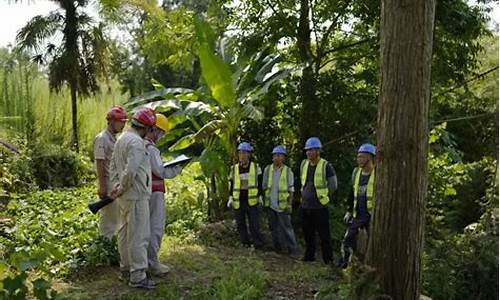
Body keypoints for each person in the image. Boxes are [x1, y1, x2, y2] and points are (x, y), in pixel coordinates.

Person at [110, 107, 156, 289]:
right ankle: (137, 275)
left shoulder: (122, 138)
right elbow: (131, 170)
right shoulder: (137, 143)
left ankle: (126, 268)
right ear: (145, 128)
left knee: (124, 233)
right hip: (135, 195)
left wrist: (116, 186)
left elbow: (113, 165)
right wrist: (122, 186)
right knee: (139, 235)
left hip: (125, 196)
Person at [144, 113, 183, 275]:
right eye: (161, 132)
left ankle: (144, 260)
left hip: (145, 190)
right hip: (155, 191)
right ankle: (152, 262)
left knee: (144, 227)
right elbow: (159, 171)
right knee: (156, 226)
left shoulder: (140, 144)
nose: (161, 136)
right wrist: (177, 168)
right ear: (155, 129)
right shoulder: (150, 148)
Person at [299, 137, 337, 264]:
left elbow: (333, 185)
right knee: (308, 234)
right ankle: (309, 256)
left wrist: (325, 196)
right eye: (307, 150)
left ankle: (328, 259)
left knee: (324, 235)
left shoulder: (326, 166)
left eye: (312, 150)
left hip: (319, 206)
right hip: (305, 205)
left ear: (318, 151)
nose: (309, 153)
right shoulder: (304, 164)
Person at [337, 143, 376, 269]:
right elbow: (351, 192)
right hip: (358, 214)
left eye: (362, 157)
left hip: (372, 215)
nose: (359, 159)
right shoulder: (356, 173)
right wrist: (349, 210)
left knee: (373, 243)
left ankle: (370, 266)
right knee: (348, 239)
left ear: (369, 158)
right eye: (358, 157)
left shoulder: (378, 174)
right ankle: (345, 263)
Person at [93, 105, 127, 240]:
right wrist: (102, 186)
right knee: (108, 219)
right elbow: (99, 162)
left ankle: (112, 243)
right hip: (107, 181)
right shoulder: (102, 138)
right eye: (121, 122)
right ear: (112, 121)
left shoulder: (115, 139)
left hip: (115, 181)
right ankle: (105, 244)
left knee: (116, 216)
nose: (123, 125)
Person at [227, 142, 266, 248]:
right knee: (240, 223)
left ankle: (258, 244)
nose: (242, 155)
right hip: (238, 200)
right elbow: (232, 184)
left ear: (249, 154)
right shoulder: (234, 169)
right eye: (240, 153)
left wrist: (260, 196)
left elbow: (260, 183)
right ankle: (245, 243)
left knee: (254, 224)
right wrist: (230, 197)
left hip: (252, 201)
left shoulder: (255, 167)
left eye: (244, 153)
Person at [262, 145, 299, 257]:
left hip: (282, 205)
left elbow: (291, 189)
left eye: (279, 155)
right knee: (273, 228)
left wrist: (289, 204)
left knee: (287, 228)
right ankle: (277, 248)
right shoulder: (268, 170)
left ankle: (293, 250)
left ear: (283, 157)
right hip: (271, 204)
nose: (277, 158)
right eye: (275, 155)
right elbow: (264, 186)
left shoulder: (288, 172)